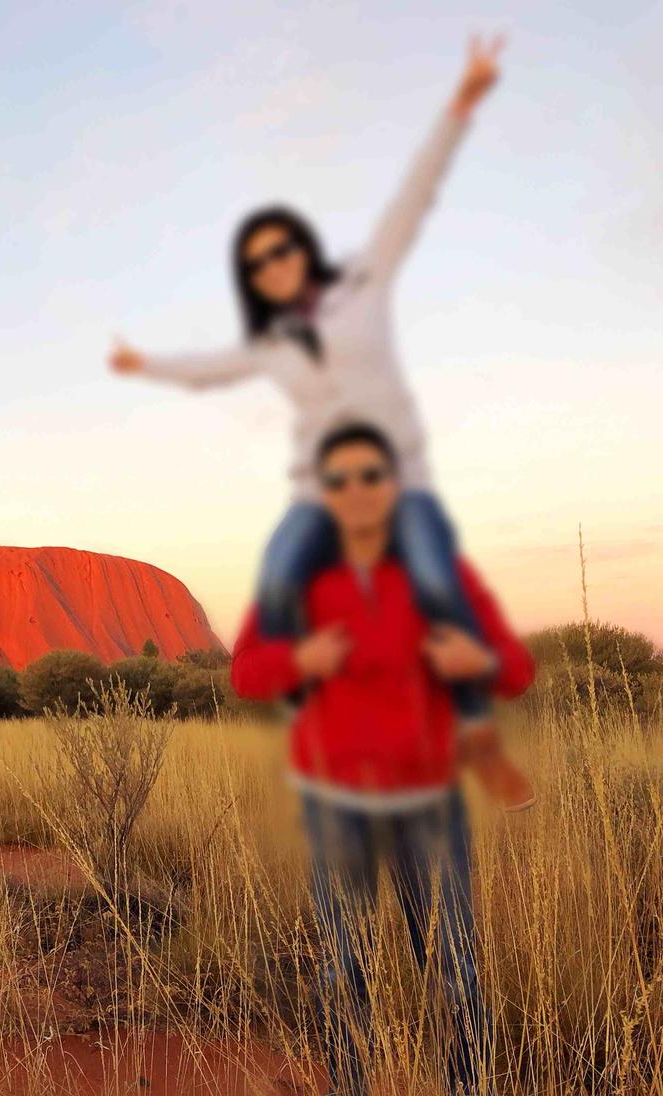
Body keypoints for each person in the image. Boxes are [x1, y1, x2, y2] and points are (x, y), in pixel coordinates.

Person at [110, 35, 533, 811]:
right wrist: (146, 366)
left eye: (281, 250)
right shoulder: (271, 344)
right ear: (255, 279)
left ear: (303, 251)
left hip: (398, 479)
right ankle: (319, 716)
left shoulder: (363, 286)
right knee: (276, 577)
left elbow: (412, 200)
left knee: (439, 586)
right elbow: (212, 370)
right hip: (318, 491)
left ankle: (477, 737)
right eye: (258, 262)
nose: (274, 265)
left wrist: (461, 105)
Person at [231, 423, 535, 1096]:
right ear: (322, 495)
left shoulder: (438, 579)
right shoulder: (300, 584)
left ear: (394, 486)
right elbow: (245, 672)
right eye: (337, 480)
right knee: (343, 970)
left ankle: (471, 1085)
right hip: (336, 802)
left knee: (456, 964)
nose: (356, 491)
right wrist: (297, 659)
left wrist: (476, 660)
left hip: (429, 801)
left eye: (371, 475)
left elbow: (516, 669)